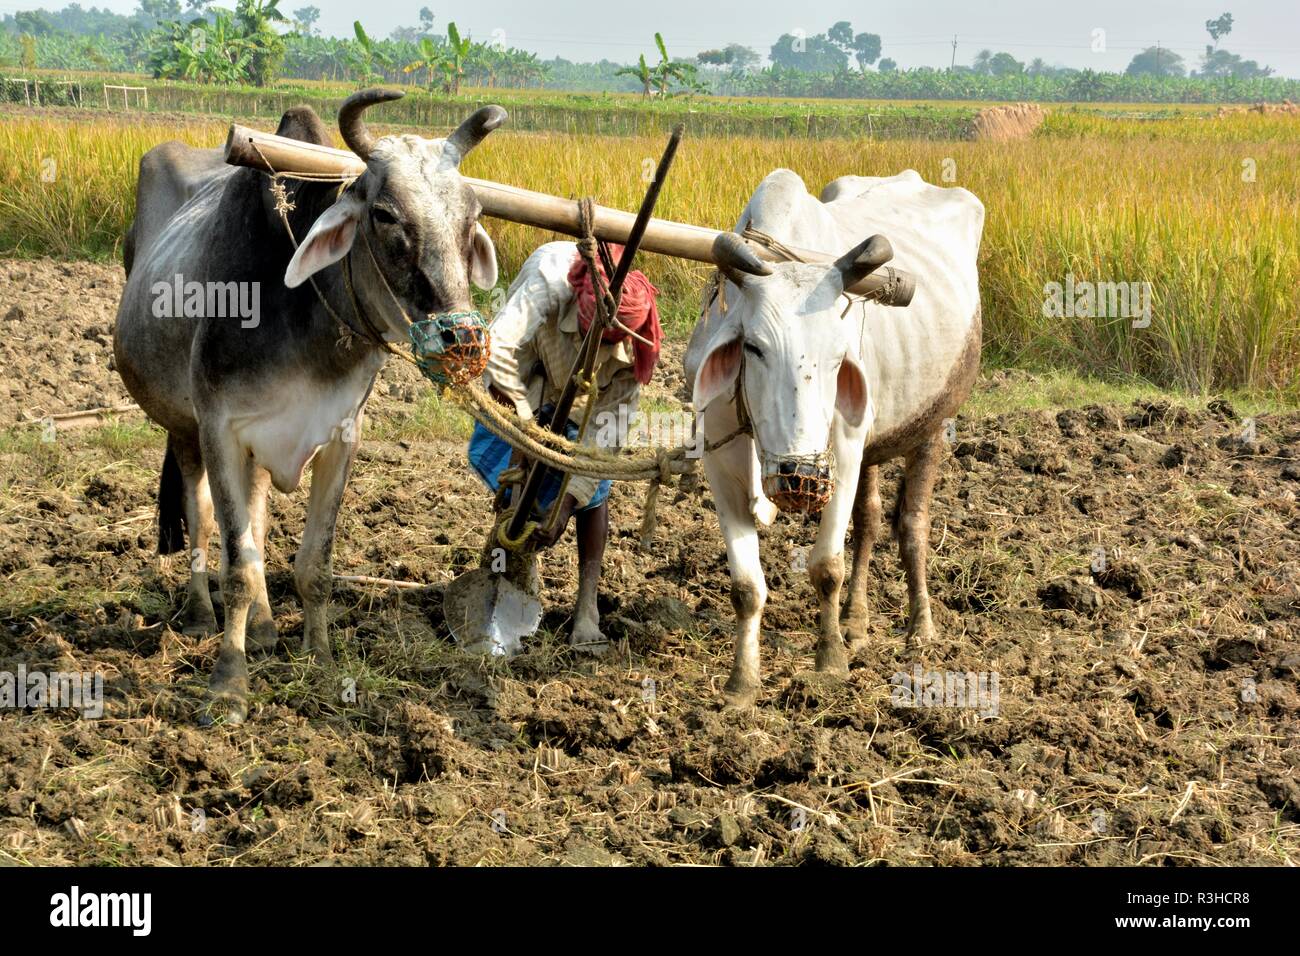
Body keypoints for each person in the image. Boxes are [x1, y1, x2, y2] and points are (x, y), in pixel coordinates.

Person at [468, 239, 661, 651]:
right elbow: (498, 350)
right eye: (596, 337)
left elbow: (600, 448)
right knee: (509, 473)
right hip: (528, 374)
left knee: (594, 490)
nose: (602, 353)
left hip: (584, 411)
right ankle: (515, 570)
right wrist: (523, 431)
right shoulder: (548, 287)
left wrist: (563, 513)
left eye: (610, 345)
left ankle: (587, 606)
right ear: (580, 311)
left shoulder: (630, 357)